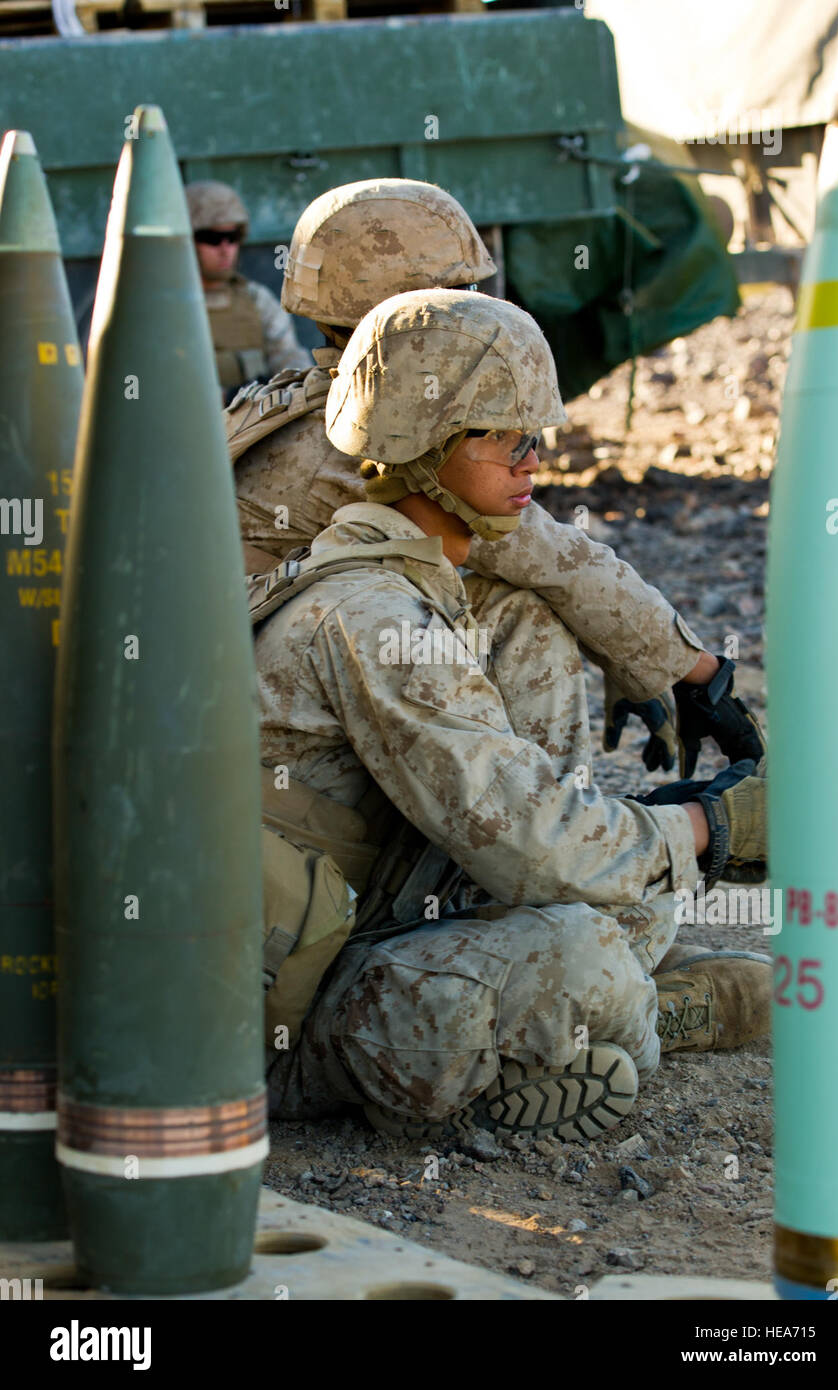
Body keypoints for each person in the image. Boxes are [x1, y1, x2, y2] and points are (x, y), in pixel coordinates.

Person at [252, 289, 770, 1144]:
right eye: (502, 434)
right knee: (584, 949)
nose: (534, 458)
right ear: (421, 448)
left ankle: (597, 1018)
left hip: (368, 921)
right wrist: (711, 827)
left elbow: (533, 830)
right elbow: (538, 841)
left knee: (623, 902)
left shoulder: (416, 584)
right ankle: (640, 1021)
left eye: (538, 434)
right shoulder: (375, 619)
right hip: (275, 1021)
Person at [229, 176, 749, 778]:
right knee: (523, 618)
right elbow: (553, 559)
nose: (474, 312)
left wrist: (639, 662)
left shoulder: (297, 402)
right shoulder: (361, 440)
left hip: (244, 682)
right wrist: (700, 677)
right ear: (416, 311)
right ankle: (555, 840)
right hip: (265, 743)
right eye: (458, 295)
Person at [184, 181, 310, 402]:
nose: (225, 249)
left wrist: (298, 389)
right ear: (187, 240)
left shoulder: (256, 299)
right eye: (212, 239)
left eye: (232, 238)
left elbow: (290, 359)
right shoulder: (166, 308)